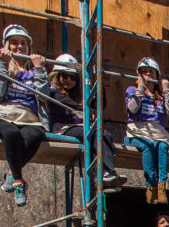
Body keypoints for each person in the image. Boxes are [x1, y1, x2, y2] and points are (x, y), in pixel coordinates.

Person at [40, 53, 126, 192]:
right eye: (65, 76)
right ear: (57, 75)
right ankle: (105, 173)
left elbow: (99, 104)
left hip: (80, 127)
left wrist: (97, 80)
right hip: (62, 128)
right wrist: (85, 109)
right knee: (95, 134)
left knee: (105, 135)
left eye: (73, 77)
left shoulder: (78, 94)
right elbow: (66, 102)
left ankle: (107, 175)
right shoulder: (52, 91)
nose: (69, 80)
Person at [0, 24, 46, 207]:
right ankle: (19, 182)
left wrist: (39, 69)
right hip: (3, 115)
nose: (19, 46)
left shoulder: (34, 72)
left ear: (29, 47)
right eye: (14, 43)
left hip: (28, 117)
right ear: (7, 45)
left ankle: (12, 174)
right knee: (10, 133)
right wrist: (3, 64)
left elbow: (44, 96)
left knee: (36, 134)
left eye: (23, 43)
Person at [126, 56, 169, 204]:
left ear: (157, 75)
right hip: (137, 133)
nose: (147, 74)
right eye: (144, 72)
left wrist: (166, 91)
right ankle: (150, 186)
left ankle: (161, 186)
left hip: (158, 134)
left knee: (161, 147)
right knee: (148, 146)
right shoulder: (133, 90)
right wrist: (141, 88)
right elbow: (132, 109)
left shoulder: (159, 96)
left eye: (151, 72)